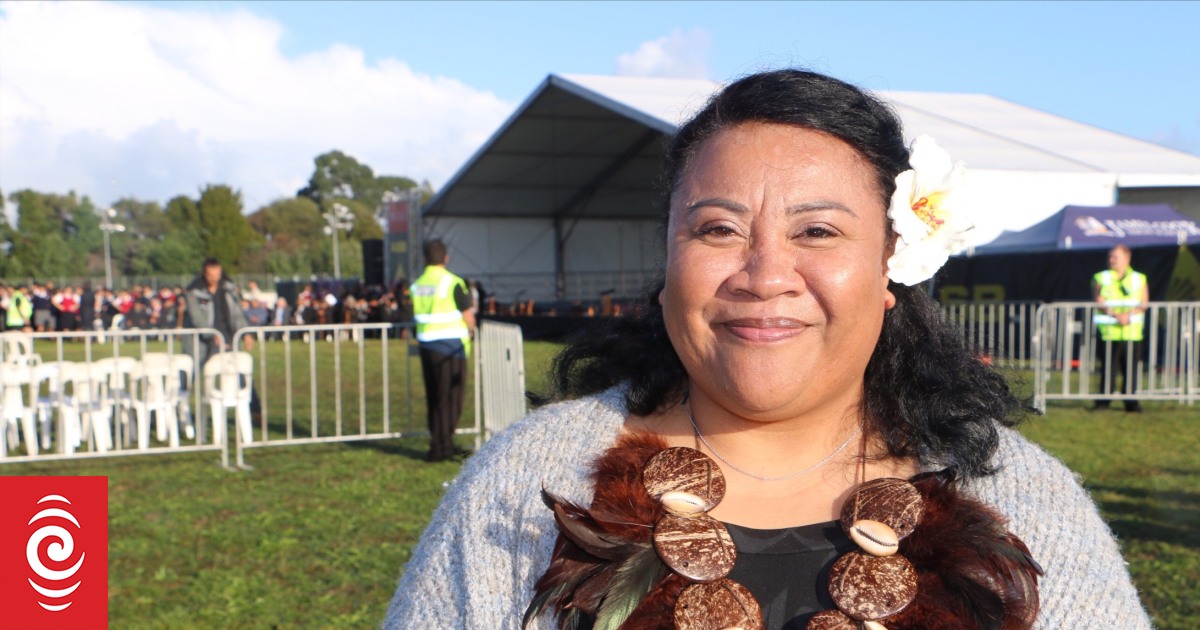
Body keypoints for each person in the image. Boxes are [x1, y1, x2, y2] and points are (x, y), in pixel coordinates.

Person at [383, 70, 1150, 629]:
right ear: (668, 263)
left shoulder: (1026, 503)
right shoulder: (525, 487)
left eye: (817, 231)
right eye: (717, 229)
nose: (764, 275)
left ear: (890, 267)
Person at [410, 240, 476, 463]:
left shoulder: (417, 284)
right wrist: (472, 331)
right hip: (451, 347)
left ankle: (440, 442)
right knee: (450, 398)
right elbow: (468, 316)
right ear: (445, 258)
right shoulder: (452, 282)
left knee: (435, 397)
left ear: (425, 259)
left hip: (427, 346)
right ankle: (441, 446)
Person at [1091, 244, 1149, 412]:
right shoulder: (1101, 277)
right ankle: (1103, 401)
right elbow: (1099, 301)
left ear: (1127, 258)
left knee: (1130, 368)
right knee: (1108, 367)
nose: (1111, 259)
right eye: (1110, 256)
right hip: (1109, 331)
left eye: (1115, 256)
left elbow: (1144, 302)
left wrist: (1128, 315)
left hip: (1132, 332)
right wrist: (1117, 315)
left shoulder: (1139, 278)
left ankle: (1131, 401)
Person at [181, 258, 255, 371]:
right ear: (205, 274)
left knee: (237, 372)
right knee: (194, 373)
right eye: (211, 275)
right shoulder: (195, 292)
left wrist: (245, 333)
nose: (214, 278)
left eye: (217, 274)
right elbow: (197, 318)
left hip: (228, 336)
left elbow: (237, 314)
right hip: (203, 341)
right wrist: (211, 334)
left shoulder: (229, 290)